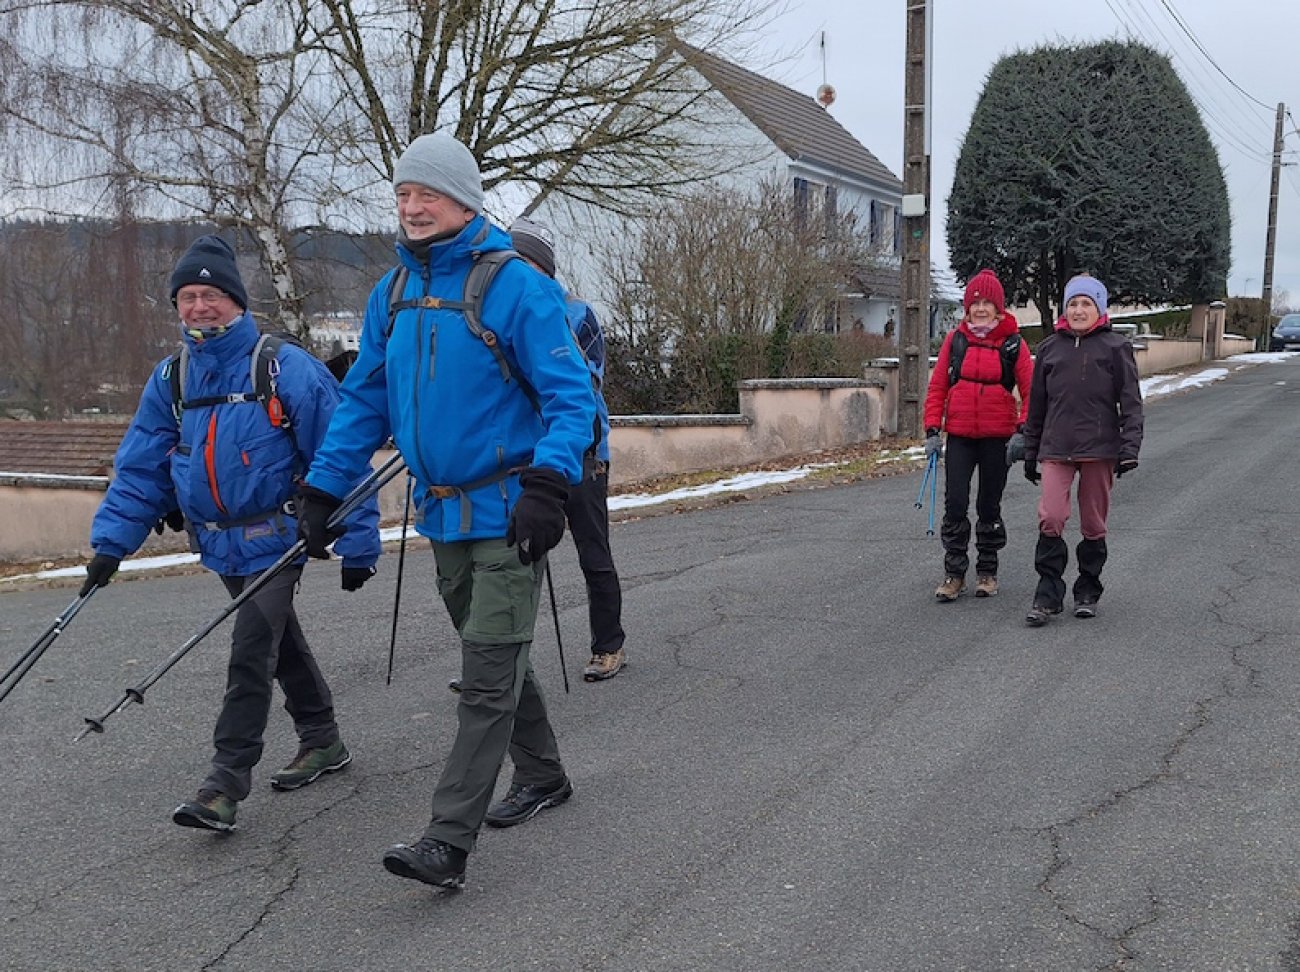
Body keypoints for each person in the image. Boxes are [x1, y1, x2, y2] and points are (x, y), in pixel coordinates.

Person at [294, 133, 598, 890]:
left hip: (510, 513)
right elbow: (364, 400)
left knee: (485, 677)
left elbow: (573, 400)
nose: (412, 206)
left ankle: (447, 840)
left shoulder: (516, 286)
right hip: (441, 517)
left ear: (464, 200)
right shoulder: (393, 292)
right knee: (495, 652)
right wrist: (324, 489)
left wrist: (548, 487)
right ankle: (545, 774)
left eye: (427, 193)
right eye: (403, 194)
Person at [82, 234, 381, 833]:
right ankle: (323, 738)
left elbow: (341, 451)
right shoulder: (171, 379)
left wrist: (358, 540)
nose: (199, 307)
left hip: (280, 536)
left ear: (237, 301)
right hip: (219, 542)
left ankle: (223, 785)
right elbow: (141, 469)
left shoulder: (283, 366)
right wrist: (111, 545)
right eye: (187, 297)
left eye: (211, 295)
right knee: (277, 642)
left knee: (251, 651)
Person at [509, 216, 627, 682]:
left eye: (523, 262)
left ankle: (608, 647)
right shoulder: (498, 312)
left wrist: (544, 330)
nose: (514, 271)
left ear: (542, 267)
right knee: (514, 557)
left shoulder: (578, 314)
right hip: (526, 457)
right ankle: (499, 659)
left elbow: (584, 383)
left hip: (584, 455)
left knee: (593, 554)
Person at [1021, 273, 1144, 626]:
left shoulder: (1116, 348)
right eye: (1072, 303)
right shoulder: (1049, 349)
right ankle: (1047, 594)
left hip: (1099, 449)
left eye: (1086, 303)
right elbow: (1036, 406)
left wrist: (1129, 447)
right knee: (1051, 517)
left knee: (1093, 523)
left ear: (1099, 309)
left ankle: (1088, 589)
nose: (1078, 310)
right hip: (1056, 447)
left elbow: (1131, 403)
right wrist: (1030, 450)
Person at [922, 269, 1033, 601]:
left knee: (988, 505)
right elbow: (937, 387)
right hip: (960, 435)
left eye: (987, 303)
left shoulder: (1014, 343)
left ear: (998, 308)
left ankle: (987, 571)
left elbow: (1032, 392)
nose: (981, 309)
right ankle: (954, 574)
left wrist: (1023, 432)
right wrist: (932, 429)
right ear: (967, 307)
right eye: (975, 303)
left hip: (998, 438)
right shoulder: (955, 341)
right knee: (955, 504)